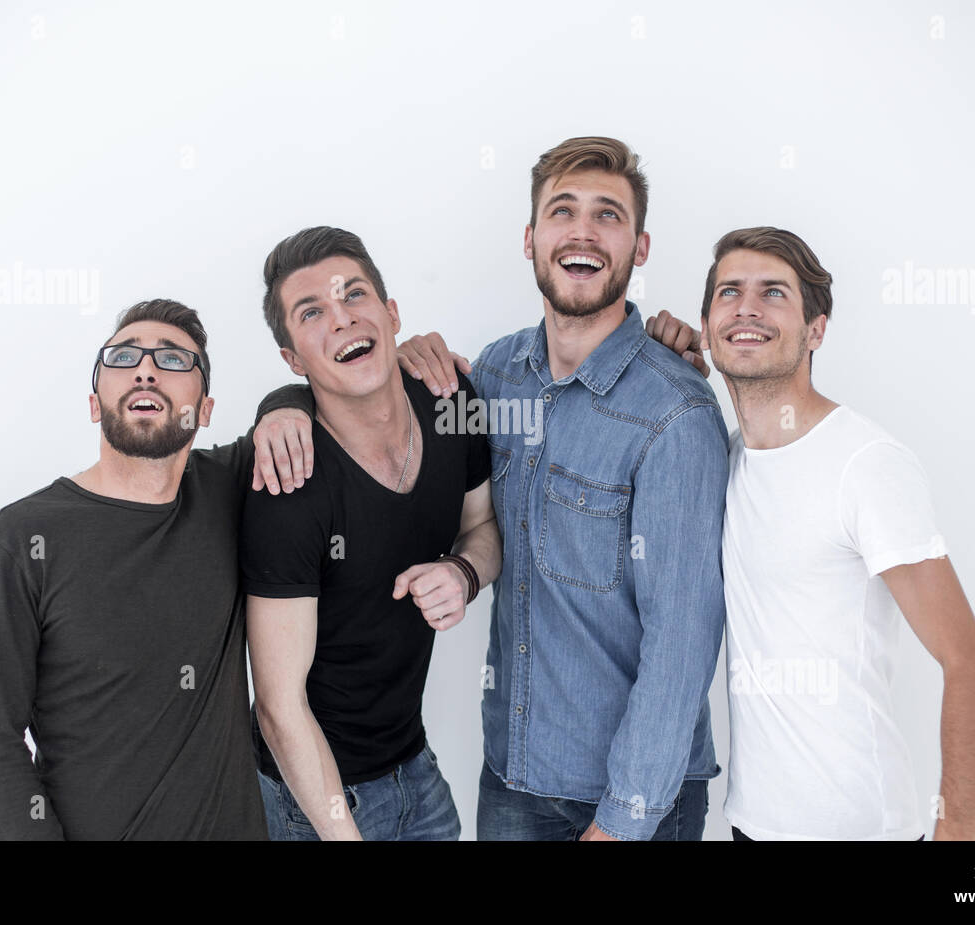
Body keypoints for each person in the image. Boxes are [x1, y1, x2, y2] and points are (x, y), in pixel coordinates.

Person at [256, 138, 729, 841]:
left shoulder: (676, 412)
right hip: (511, 780)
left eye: (609, 215)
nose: (583, 231)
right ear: (532, 238)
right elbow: (362, 391)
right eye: (562, 211)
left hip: (632, 800)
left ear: (641, 245)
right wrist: (283, 401)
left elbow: (682, 649)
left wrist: (623, 821)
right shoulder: (495, 378)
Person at [698, 227, 975, 840]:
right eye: (729, 292)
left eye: (773, 293)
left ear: (816, 330)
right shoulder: (725, 459)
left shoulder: (866, 463)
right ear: (707, 326)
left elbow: (970, 664)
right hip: (750, 823)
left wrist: (957, 834)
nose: (747, 308)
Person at [0, 299, 287, 840]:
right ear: (95, 403)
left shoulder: (230, 488)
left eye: (173, 360)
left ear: (204, 409)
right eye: (123, 357)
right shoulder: (20, 538)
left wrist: (285, 405)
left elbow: (318, 402)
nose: (145, 368)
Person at [241, 227, 500, 841]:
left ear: (390, 313)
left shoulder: (448, 401)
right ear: (293, 361)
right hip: (313, 800)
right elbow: (279, 709)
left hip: (416, 771)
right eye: (312, 313)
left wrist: (463, 572)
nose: (342, 319)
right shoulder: (288, 484)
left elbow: (483, 526)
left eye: (354, 295)